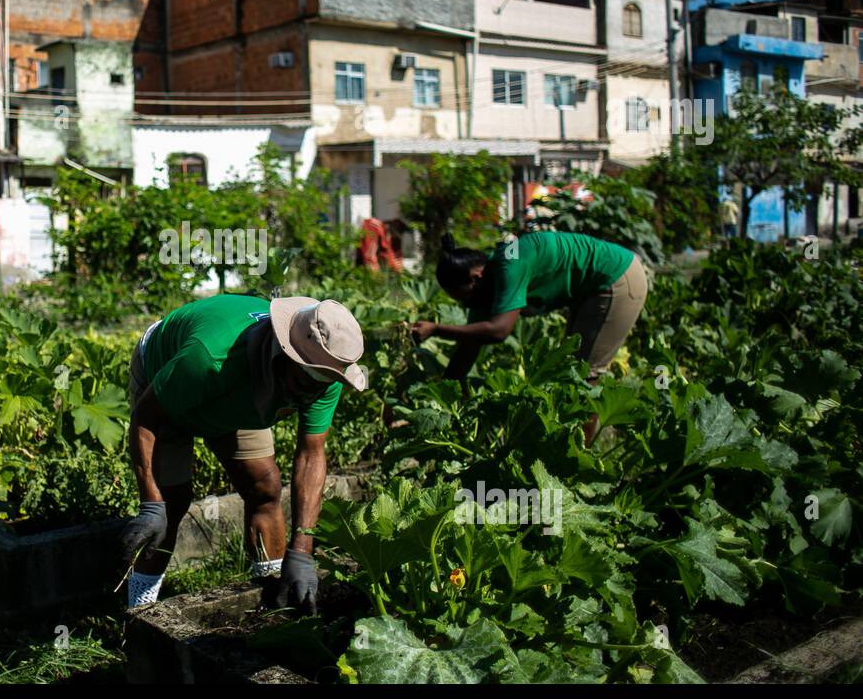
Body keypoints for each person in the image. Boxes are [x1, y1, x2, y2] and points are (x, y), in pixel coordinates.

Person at [120, 294, 367, 613]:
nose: (313, 394)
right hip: (168, 382)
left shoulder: (324, 375)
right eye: (306, 384)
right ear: (285, 358)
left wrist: (302, 550)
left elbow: (311, 454)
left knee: (265, 488)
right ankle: (140, 614)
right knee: (172, 502)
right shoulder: (209, 357)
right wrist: (151, 503)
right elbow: (147, 416)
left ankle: (274, 598)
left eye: (322, 385)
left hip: (238, 395)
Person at [411, 231, 648, 443]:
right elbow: (466, 351)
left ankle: (577, 460)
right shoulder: (483, 290)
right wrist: (437, 401)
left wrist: (436, 329)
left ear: (476, 277)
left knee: (585, 375)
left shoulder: (509, 265)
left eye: (463, 297)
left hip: (617, 277)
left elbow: (499, 330)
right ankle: (566, 447)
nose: (466, 304)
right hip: (591, 288)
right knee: (572, 372)